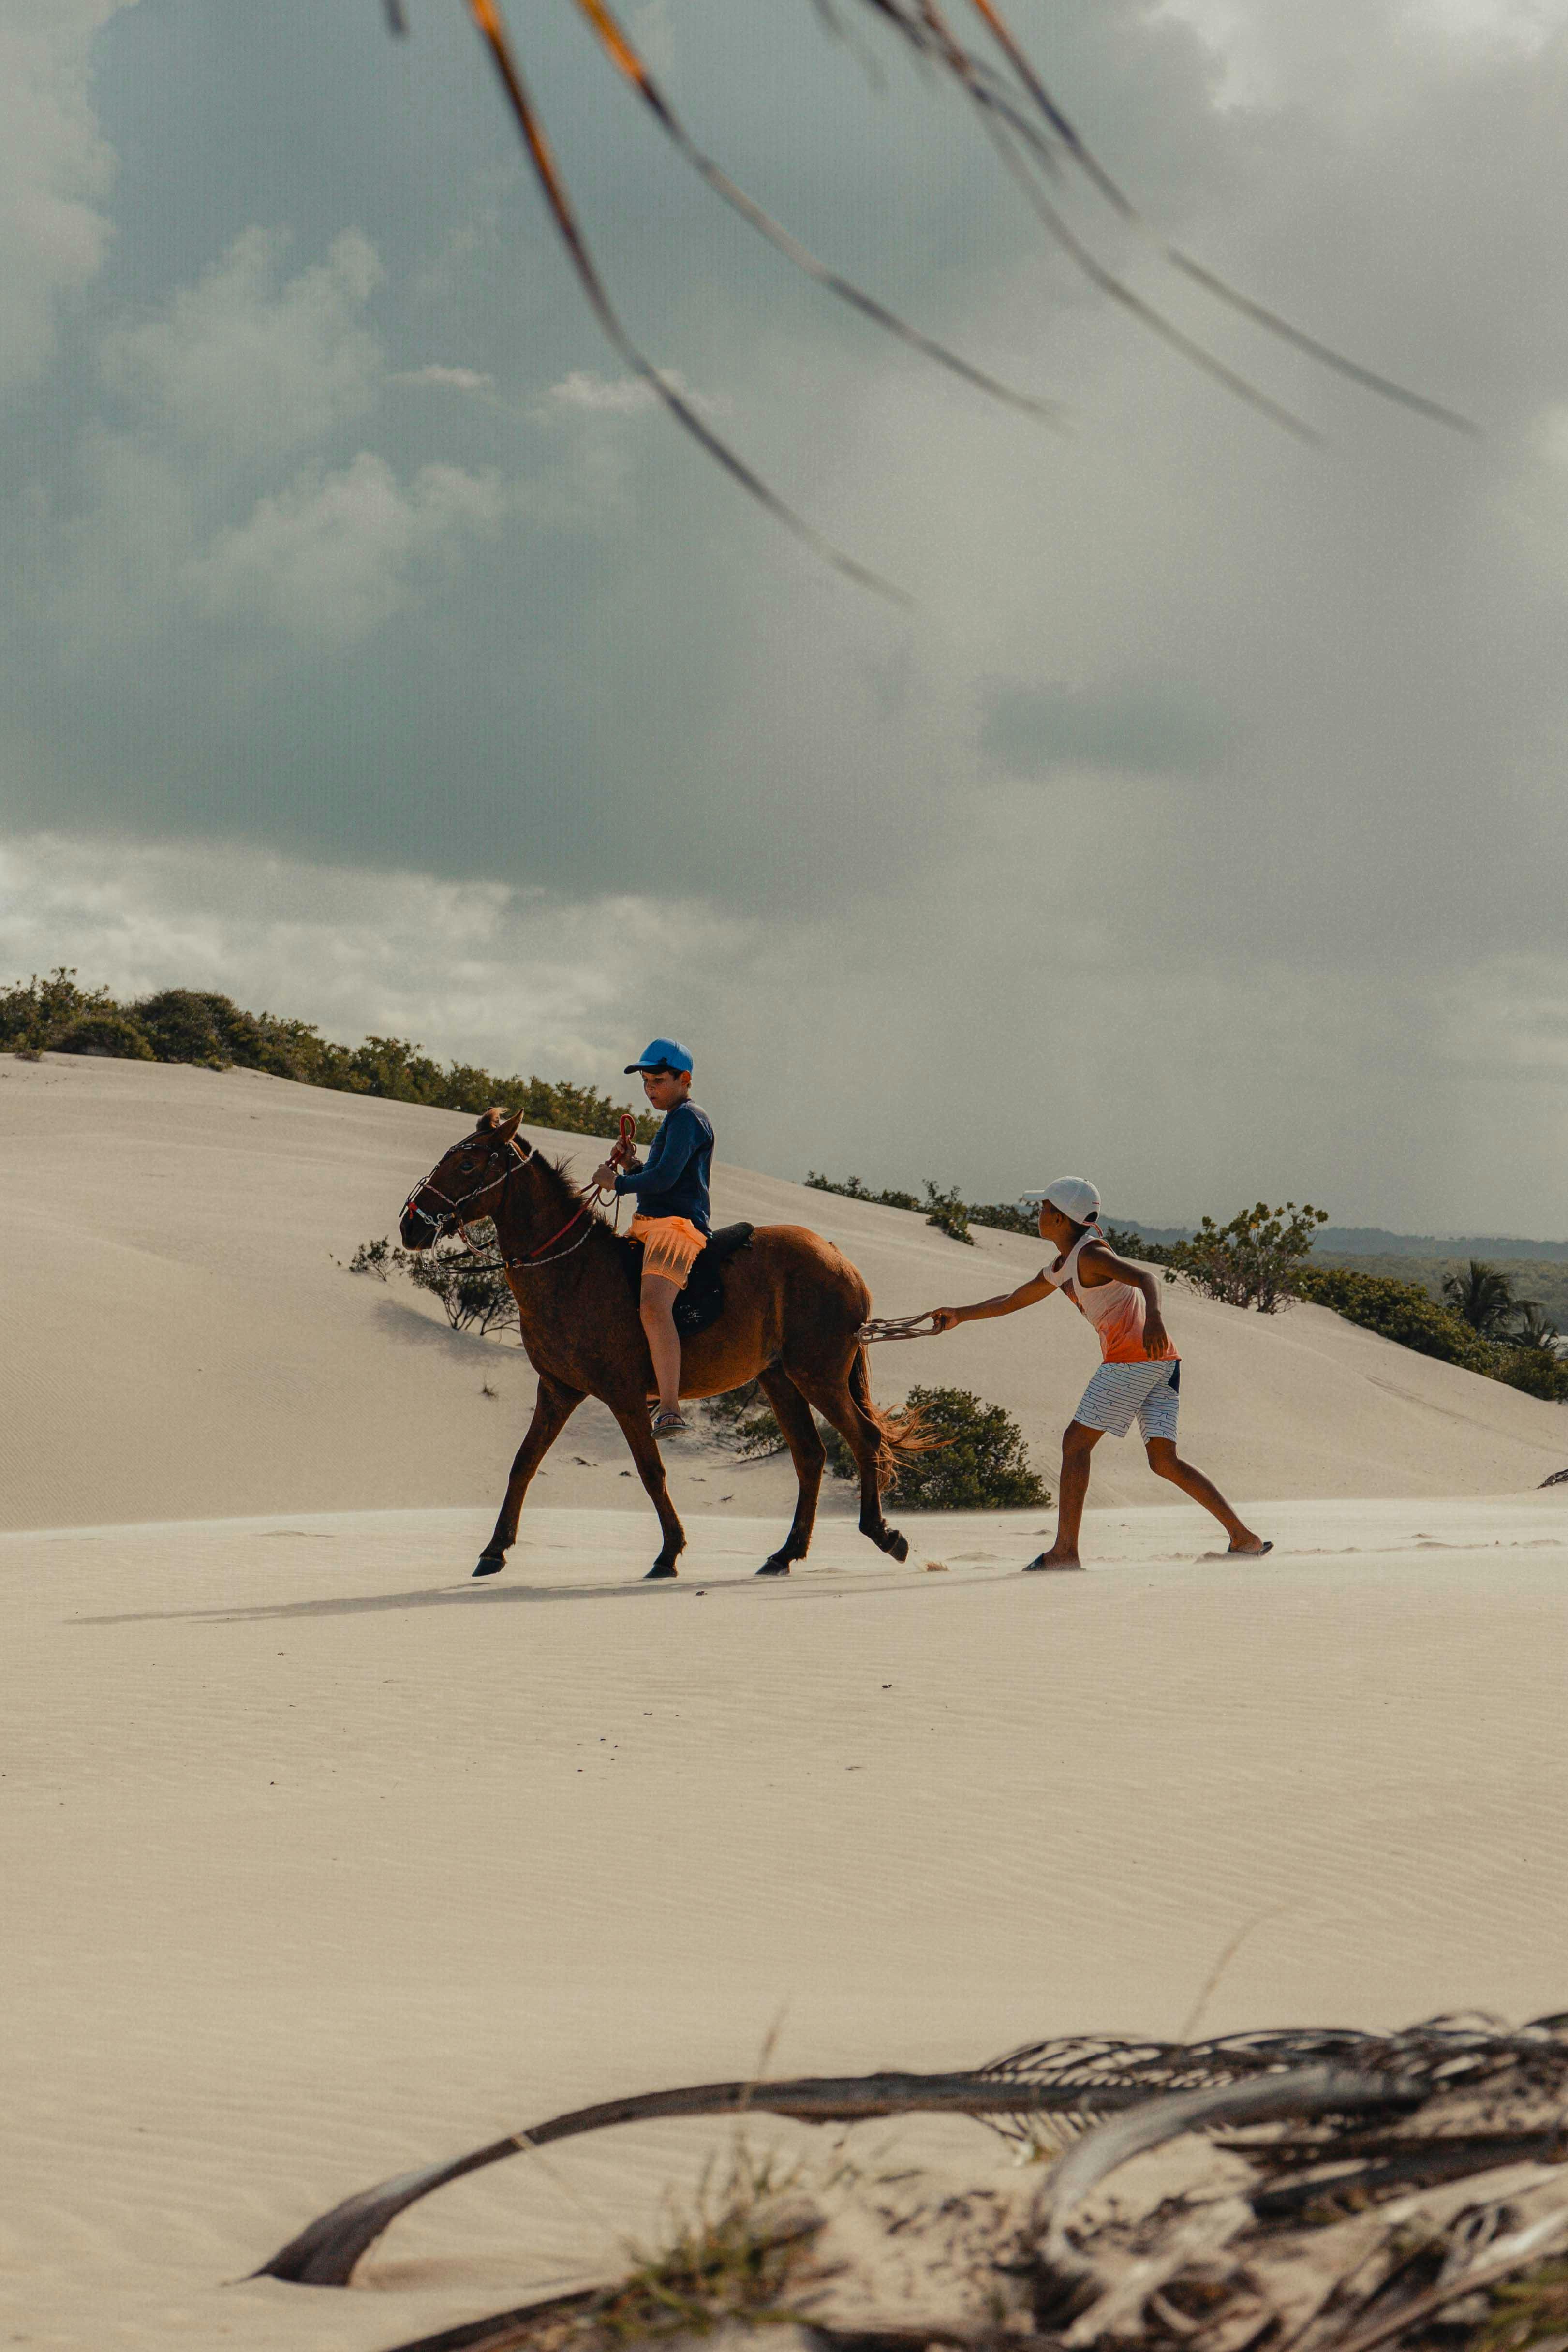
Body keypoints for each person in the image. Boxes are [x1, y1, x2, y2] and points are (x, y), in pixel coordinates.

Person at [926, 1175, 1271, 1571]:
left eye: (1043, 1208)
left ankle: (1064, 1553)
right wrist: (959, 1315)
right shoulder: (1062, 1265)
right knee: (1164, 1460)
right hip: (1163, 1361)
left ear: (1059, 1218)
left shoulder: (1090, 1256)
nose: (1038, 1213)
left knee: (1076, 1444)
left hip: (1132, 1359)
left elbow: (1147, 1278)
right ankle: (1244, 1538)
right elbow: (1010, 1301)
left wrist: (1155, 1318)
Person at [593, 1038, 713, 1438]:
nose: (650, 1089)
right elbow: (661, 1175)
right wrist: (632, 1164)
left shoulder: (688, 1119)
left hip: (677, 1227)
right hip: (653, 1221)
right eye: (646, 1081)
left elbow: (663, 1181)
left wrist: (619, 1181)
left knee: (653, 1306)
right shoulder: (676, 1118)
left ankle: (669, 1408)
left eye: (658, 1080)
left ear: (685, 1079)